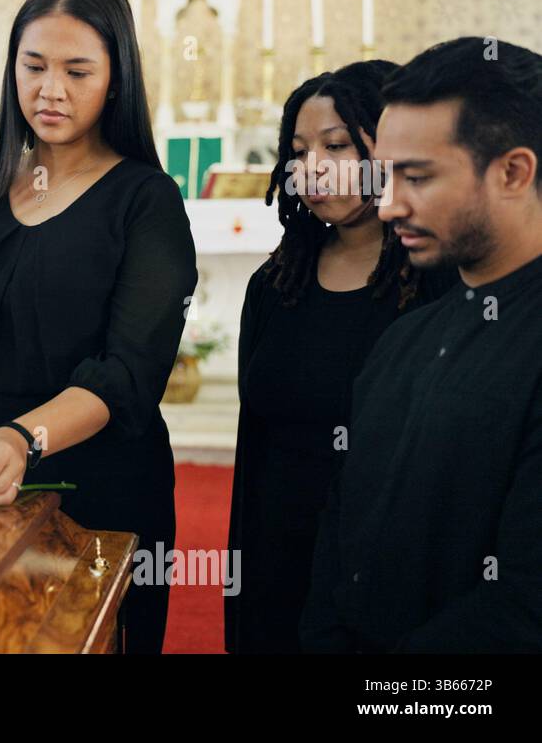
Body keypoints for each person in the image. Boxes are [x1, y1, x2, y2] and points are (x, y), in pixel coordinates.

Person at [0, 0, 196, 654]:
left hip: (98, 481)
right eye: (34, 66)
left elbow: (130, 369)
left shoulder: (146, 200)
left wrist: (22, 437)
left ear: (115, 80)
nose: (51, 89)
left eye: (78, 70)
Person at [302, 37, 542, 652]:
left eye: (417, 177)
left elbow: (522, 607)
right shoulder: (403, 341)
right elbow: (340, 533)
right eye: (386, 177)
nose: (388, 205)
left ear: (513, 172)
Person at [225, 61, 454, 654]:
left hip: (390, 561)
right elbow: (257, 445)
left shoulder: (439, 281)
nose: (313, 169)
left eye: (339, 145)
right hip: (280, 554)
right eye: (299, 152)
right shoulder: (275, 285)